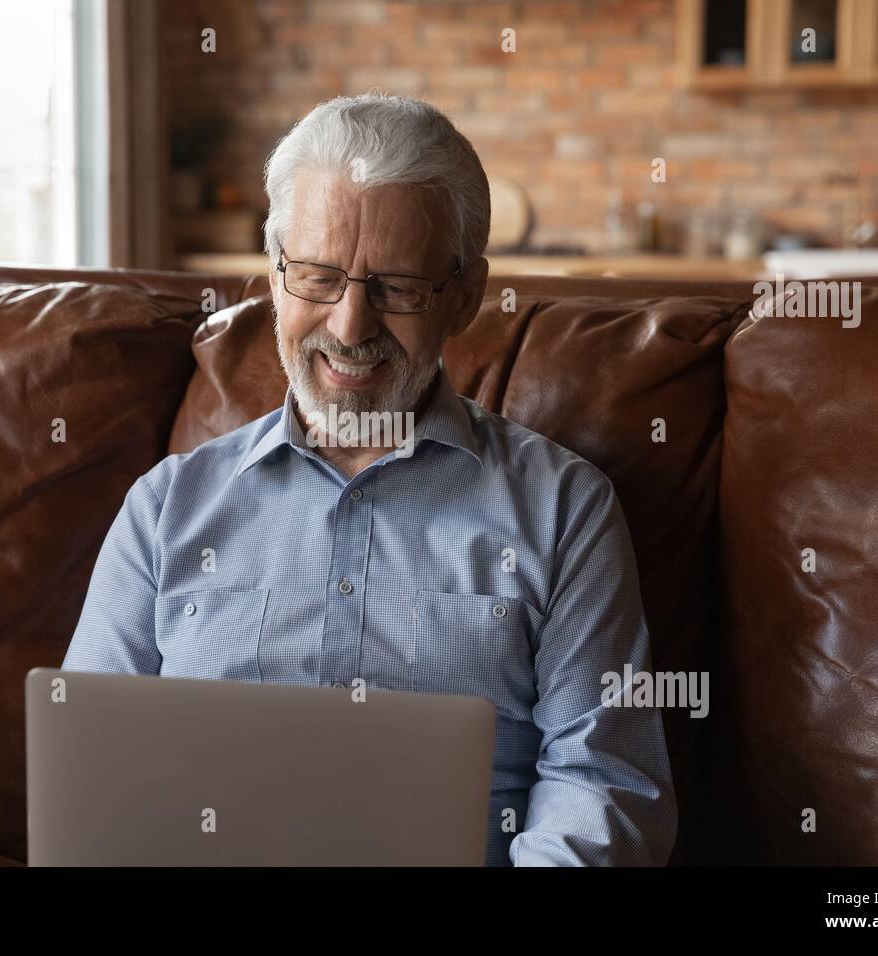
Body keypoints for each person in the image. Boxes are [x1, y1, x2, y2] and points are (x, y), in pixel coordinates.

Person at [63, 92, 676, 866]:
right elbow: (95, 783)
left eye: (396, 287)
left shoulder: (563, 512)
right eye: (318, 276)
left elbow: (602, 785)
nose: (351, 327)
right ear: (275, 273)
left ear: (462, 295)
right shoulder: (165, 511)